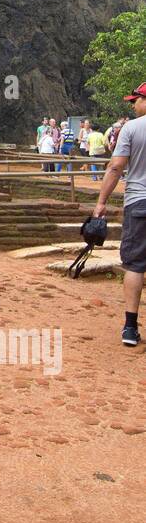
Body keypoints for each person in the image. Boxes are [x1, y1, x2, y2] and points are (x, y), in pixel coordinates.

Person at [93, 83, 146, 346]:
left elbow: (115, 167)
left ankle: (129, 327)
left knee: (136, 265)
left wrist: (101, 202)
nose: (133, 106)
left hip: (139, 203)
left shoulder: (132, 128)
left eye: (135, 100)